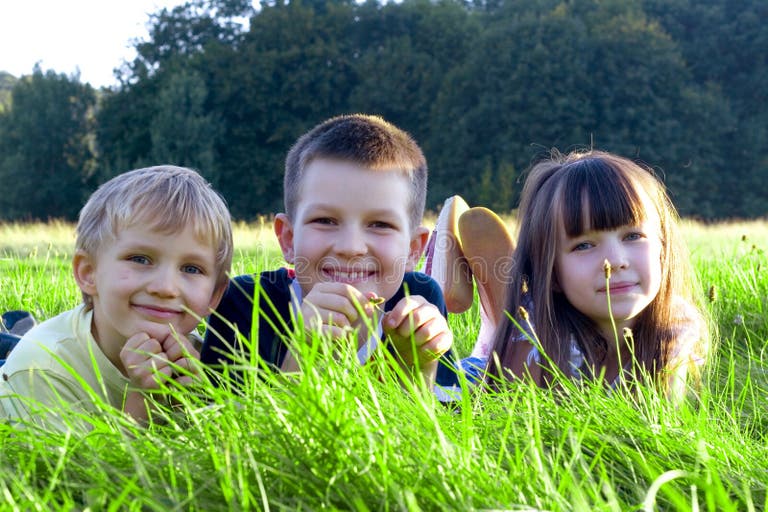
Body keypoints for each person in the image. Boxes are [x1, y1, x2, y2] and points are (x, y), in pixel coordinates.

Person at [201, 114, 456, 390]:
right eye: (325, 221)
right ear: (288, 238)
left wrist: (416, 370)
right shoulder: (245, 303)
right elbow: (224, 428)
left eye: (380, 225)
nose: (350, 247)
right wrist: (300, 357)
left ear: (412, 248)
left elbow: (433, 429)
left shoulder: (418, 299)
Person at [430, 150, 709, 401]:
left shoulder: (674, 333)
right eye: (584, 245)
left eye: (633, 236)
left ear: (663, 246)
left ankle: (499, 310)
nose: (615, 261)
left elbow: (663, 424)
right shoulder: (539, 346)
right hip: (487, 377)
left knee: (508, 317)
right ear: (550, 273)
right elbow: (514, 427)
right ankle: (495, 321)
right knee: (446, 387)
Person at [0, 166, 233, 429]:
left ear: (214, 295)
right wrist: (141, 405)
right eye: (140, 259)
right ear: (89, 273)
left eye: (192, 269)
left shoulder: (202, 363)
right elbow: (70, 470)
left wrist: (197, 410)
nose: (166, 287)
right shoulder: (40, 369)